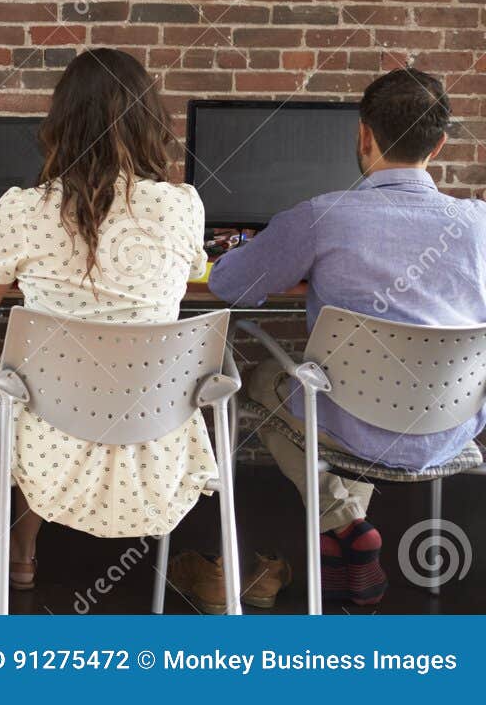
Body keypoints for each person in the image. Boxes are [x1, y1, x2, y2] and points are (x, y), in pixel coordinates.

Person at [201, 66, 486, 609]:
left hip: (353, 425)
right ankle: (341, 551)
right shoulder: (478, 225)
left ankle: (344, 522)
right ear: (441, 143)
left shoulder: (322, 217)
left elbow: (229, 283)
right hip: (449, 425)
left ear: (363, 134)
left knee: (265, 381)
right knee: (343, 387)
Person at [0, 48, 212, 591]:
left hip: (47, 426)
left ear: (60, 126)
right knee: (57, 379)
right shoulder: (182, 206)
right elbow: (196, 273)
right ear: (150, 124)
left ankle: (21, 554)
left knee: (31, 383)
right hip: (151, 419)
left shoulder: (23, 208)